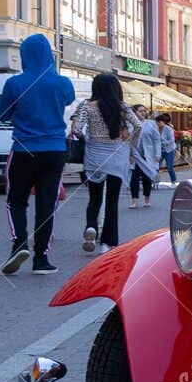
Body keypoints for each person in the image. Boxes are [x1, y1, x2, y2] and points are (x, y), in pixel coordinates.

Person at [0, 32, 75, 275]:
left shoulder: (14, 83)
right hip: (54, 150)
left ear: (24, 56)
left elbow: (1, 115)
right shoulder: (63, 83)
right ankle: (42, 258)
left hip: (23, 149)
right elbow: (68, 100)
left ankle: (19, 244)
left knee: (16, 200)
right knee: (46, 204)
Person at [74, 72, 138, 253]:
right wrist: (130, 144)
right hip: (116, 157)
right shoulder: (123, 107)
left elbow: (77, 129)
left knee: (94, 199)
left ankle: (91, 227)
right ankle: (107, 243)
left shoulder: (86, 106)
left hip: (94, 156)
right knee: (112, 200)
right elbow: (139, 125)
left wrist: (88, 138)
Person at [129, 104, 161, 209]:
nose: (143, 113)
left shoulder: (151, 124)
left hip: (147, 155)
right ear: (134, 113)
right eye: (140, 111)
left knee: (146, 177)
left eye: (144, 111)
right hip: (134, 155)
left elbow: (157, 139)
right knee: (134, 178)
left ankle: (147, 199)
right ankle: (134, 201)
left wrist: (157, 154)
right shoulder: (129, 124)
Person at [156, 113, 178, 187]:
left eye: (160, 122)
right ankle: (156, 181)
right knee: (156, 166)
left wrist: (162, 142)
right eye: (157, 122)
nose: (158, 124)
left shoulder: (168, 129)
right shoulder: (155, 129)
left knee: (169, 166)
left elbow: (172, 140)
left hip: (169, 150)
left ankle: (173, 181)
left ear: (164, 122)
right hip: (160, 150)